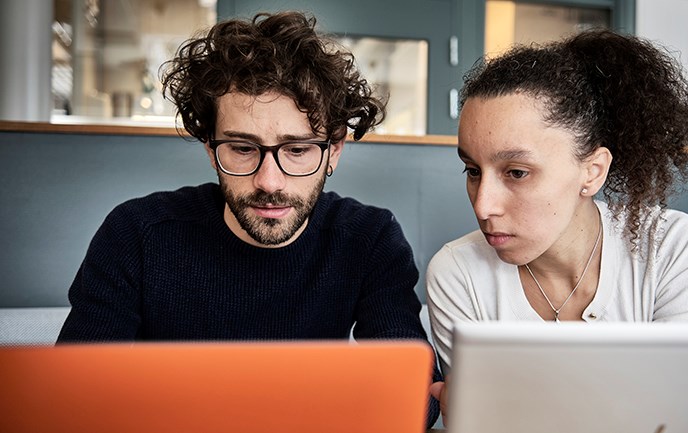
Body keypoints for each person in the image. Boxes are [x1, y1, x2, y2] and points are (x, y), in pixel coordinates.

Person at [57, 11, 439, 425]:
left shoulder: (368, 240)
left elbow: (417, 402)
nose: (269, 181)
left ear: (334, 151)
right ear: (209, 148)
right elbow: (73, 399)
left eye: (296, 150)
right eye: (242, 148)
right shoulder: (137, 233)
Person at [426, 29, 688, 421]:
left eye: (516, 172)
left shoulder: (668, 246)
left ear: (592, 171)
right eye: (472, 170)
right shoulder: (457, 274)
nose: (483, 205)